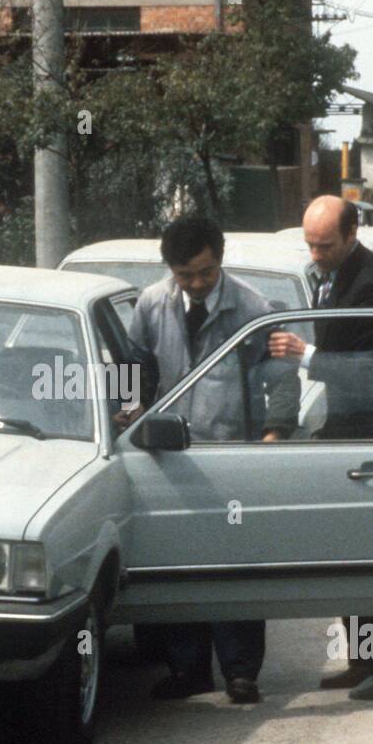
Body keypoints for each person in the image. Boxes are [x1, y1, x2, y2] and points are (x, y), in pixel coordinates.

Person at [126, 215, 298, 704]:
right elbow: (132, 365)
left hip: (233, 457)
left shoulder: (252, 308)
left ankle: (242, 672)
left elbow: (281, 377)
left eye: (205, 273)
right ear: (171, 271)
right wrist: (127, 415)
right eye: (185, 276)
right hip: (170, 454)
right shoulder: (151, 304)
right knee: (182, 567)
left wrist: (273, 434)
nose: (197, 285)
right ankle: (189, 671)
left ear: (219, 259)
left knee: (236, 566)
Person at [267, 196, 373, 702]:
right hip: (348, 426)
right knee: (350, 553)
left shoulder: (370, 283)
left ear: (352, 234)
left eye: (324, 244)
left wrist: (305, 354)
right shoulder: (337, 272)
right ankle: (364, 660)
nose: (314, 253)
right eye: (309, 243)